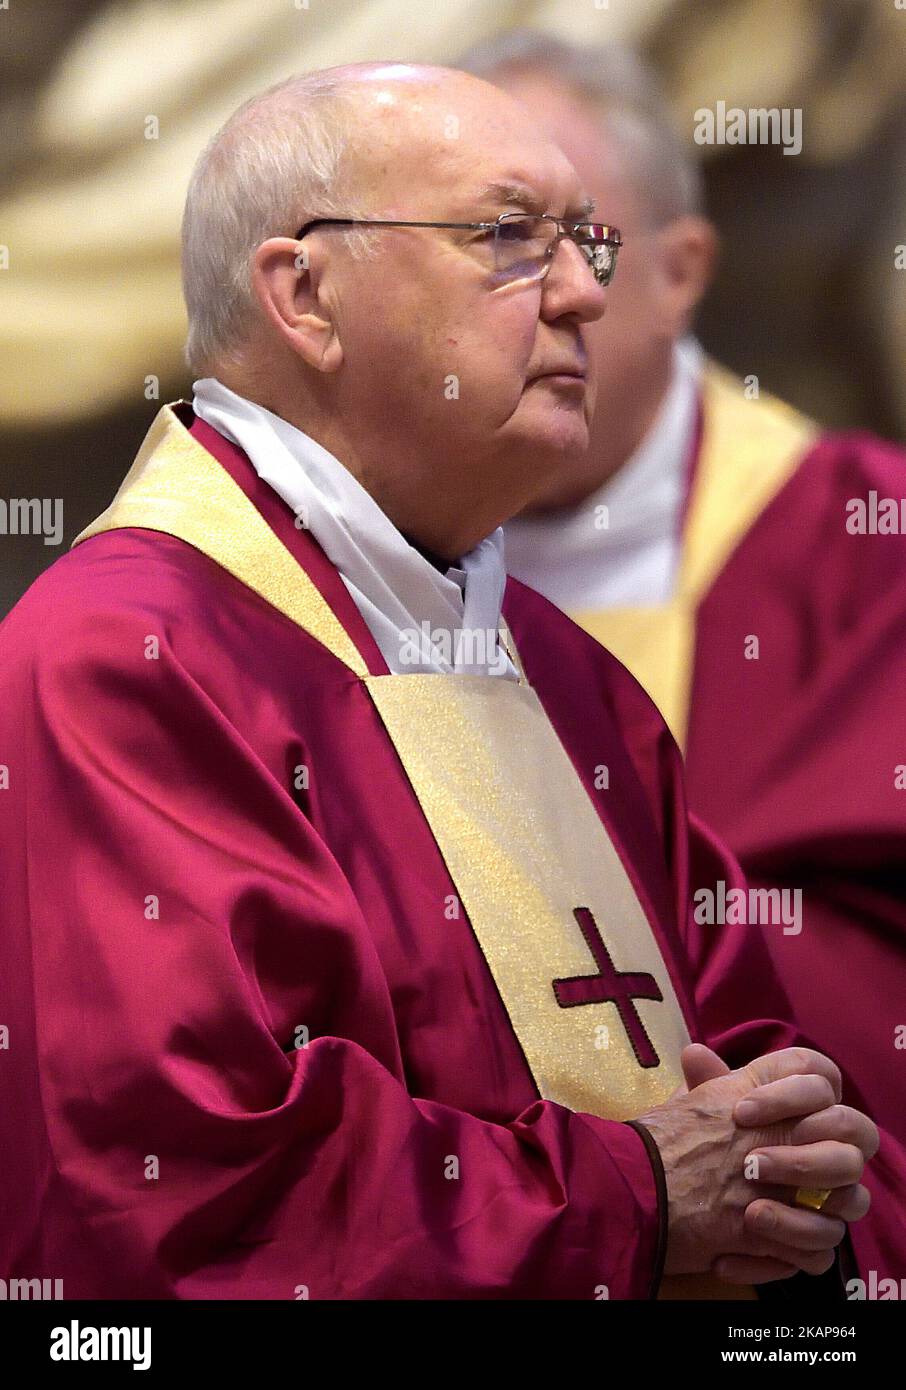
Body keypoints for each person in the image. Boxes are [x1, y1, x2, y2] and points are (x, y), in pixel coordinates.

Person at [0, 62, 881, 1300]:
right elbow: (179, 1197)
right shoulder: (126, 659)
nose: (582, 294)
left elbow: (739, 1055)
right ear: (306, 295)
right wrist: (636, 1202)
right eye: (510, 238)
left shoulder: (564, 671)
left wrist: (804, 1179)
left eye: (588, 242)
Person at [459, 30, 906, 1219]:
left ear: (683, 269)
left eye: (580, 244)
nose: (535, 299)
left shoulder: (867, 543)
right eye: (488, 248)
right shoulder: (330, 566)